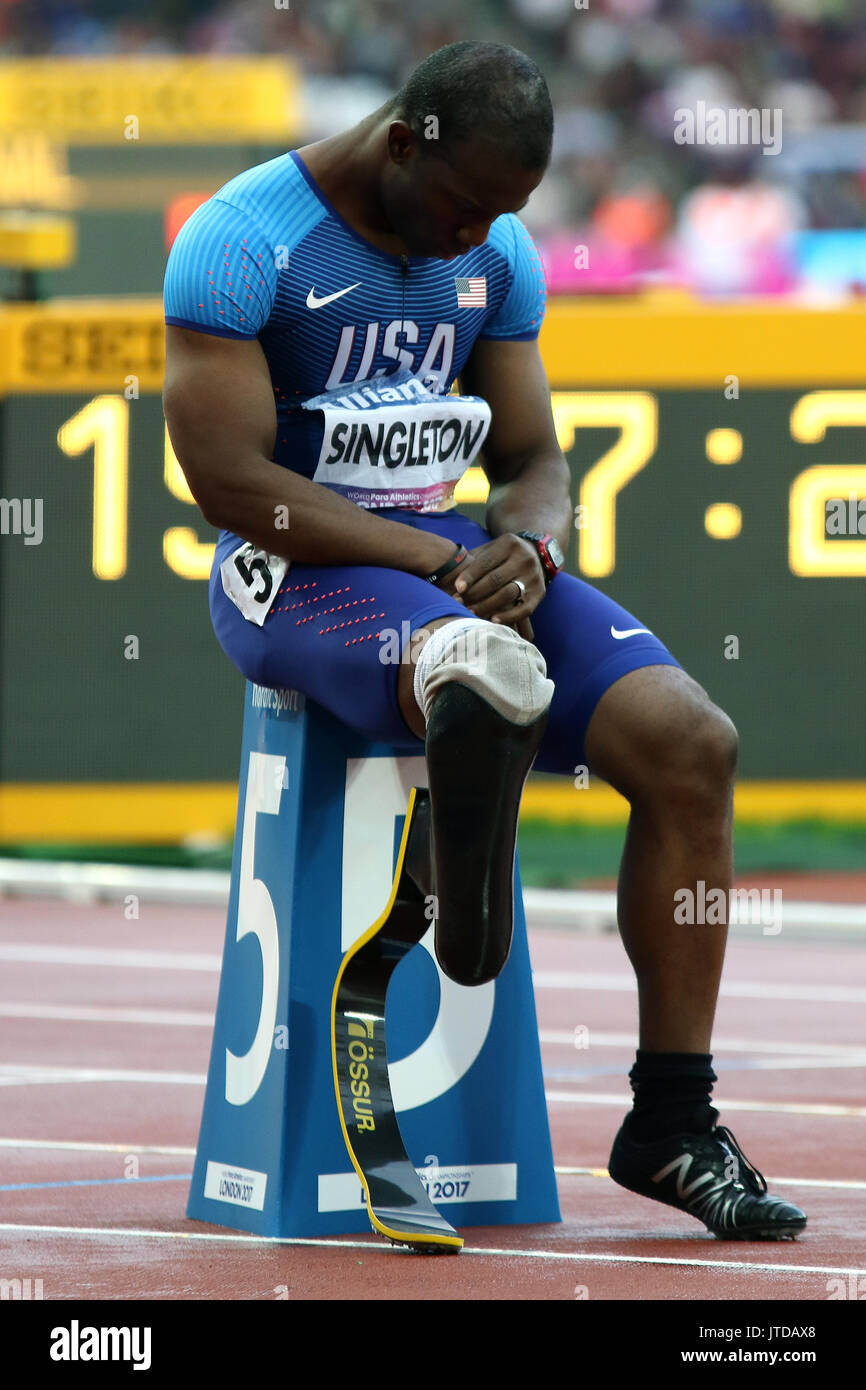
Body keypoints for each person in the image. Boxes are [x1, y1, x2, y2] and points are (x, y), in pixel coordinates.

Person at [162, 39, 805, 1241]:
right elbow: (232, 484)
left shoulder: (495, 248)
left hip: (444, 561)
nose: (476, 240)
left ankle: (668, 1120)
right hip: (294, 571)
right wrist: (439, 562)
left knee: (690, 741)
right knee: (477, 667)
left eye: (500, 219)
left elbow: (531, 460)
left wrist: (531, 545)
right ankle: (464, 900)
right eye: (461, 211)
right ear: (404, 142)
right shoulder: (244, 241)